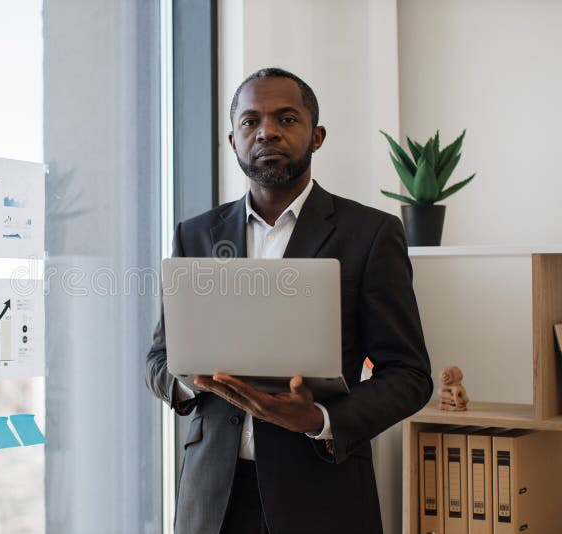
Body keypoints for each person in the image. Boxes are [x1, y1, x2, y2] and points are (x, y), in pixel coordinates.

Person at [145, 67, 433, 534]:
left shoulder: (371, 234)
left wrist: (320, 418)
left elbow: (410, 375)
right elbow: (159, 360)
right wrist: (194, 381)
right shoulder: (194, 235)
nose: (266, 132)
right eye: (250, 121)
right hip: (212, 499)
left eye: (286, 118)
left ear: (316, 136)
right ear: (233, 140)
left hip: (323, 494)